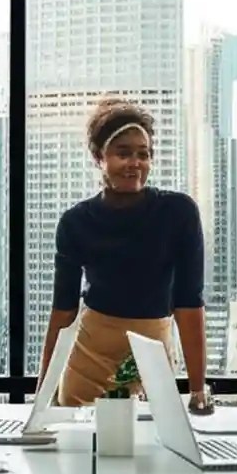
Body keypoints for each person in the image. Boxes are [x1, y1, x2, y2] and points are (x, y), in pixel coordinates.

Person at [38, 98, 210, 412]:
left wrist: (199, 391)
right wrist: (41, 397)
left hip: (151, 360)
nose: (135, 163)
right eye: (123, 153)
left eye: (143, 154)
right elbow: (63, 312)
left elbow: (189, 304)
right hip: (88, 362)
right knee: (81, 441)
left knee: (153, 436)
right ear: (98, 157)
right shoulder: (76, 222)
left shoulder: (178, 213)